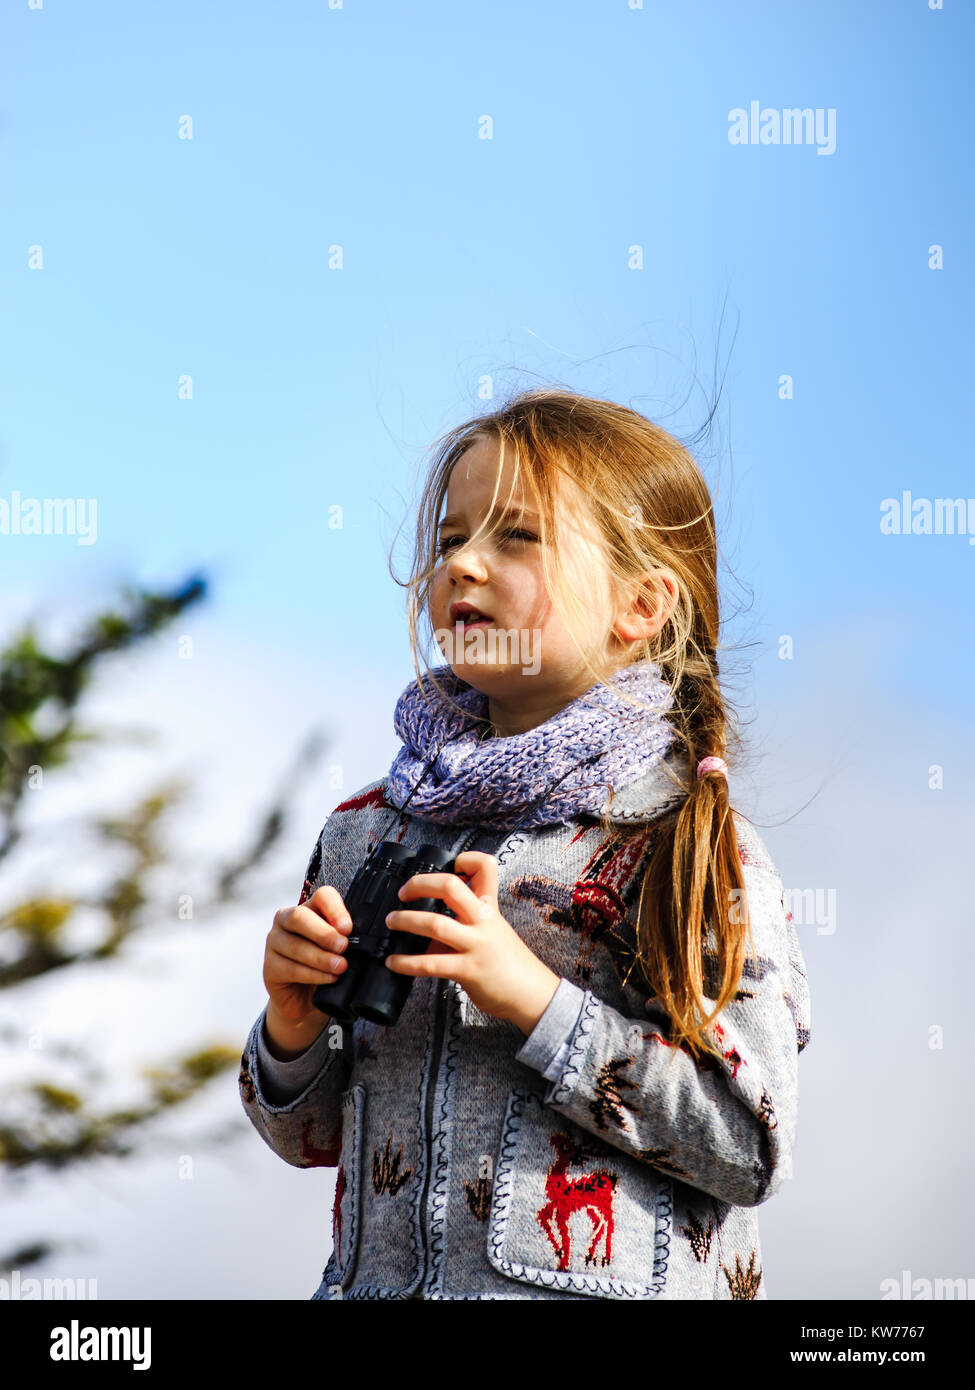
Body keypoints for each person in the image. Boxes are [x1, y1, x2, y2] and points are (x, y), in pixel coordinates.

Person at [238, 387, 812, 1301]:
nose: (461, 564)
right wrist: (291, 1025)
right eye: (448, 539)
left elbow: (748, 1145)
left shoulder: (688, 848)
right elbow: (309, 1136)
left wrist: (535, 1002)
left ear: (640, 604)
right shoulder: (364, 829)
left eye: (516, 536)